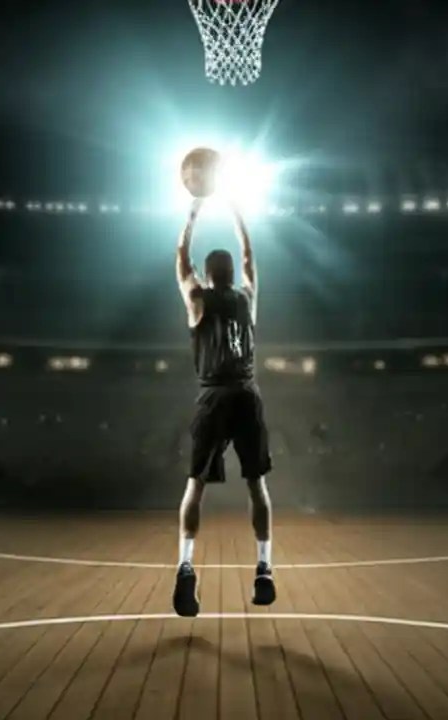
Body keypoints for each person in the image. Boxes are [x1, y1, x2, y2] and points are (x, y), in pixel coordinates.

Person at [172, 197, 275, 617]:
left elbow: (181, 256)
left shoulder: (197, 298)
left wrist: (193, 211)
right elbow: (250, 253)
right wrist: (236, 209)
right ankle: (265, 568)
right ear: (232, 273)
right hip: (246, 394)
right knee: (257, 485)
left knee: (195, 485)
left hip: (213, 395)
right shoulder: (247, 299)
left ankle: (185, 567)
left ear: (205, 273)